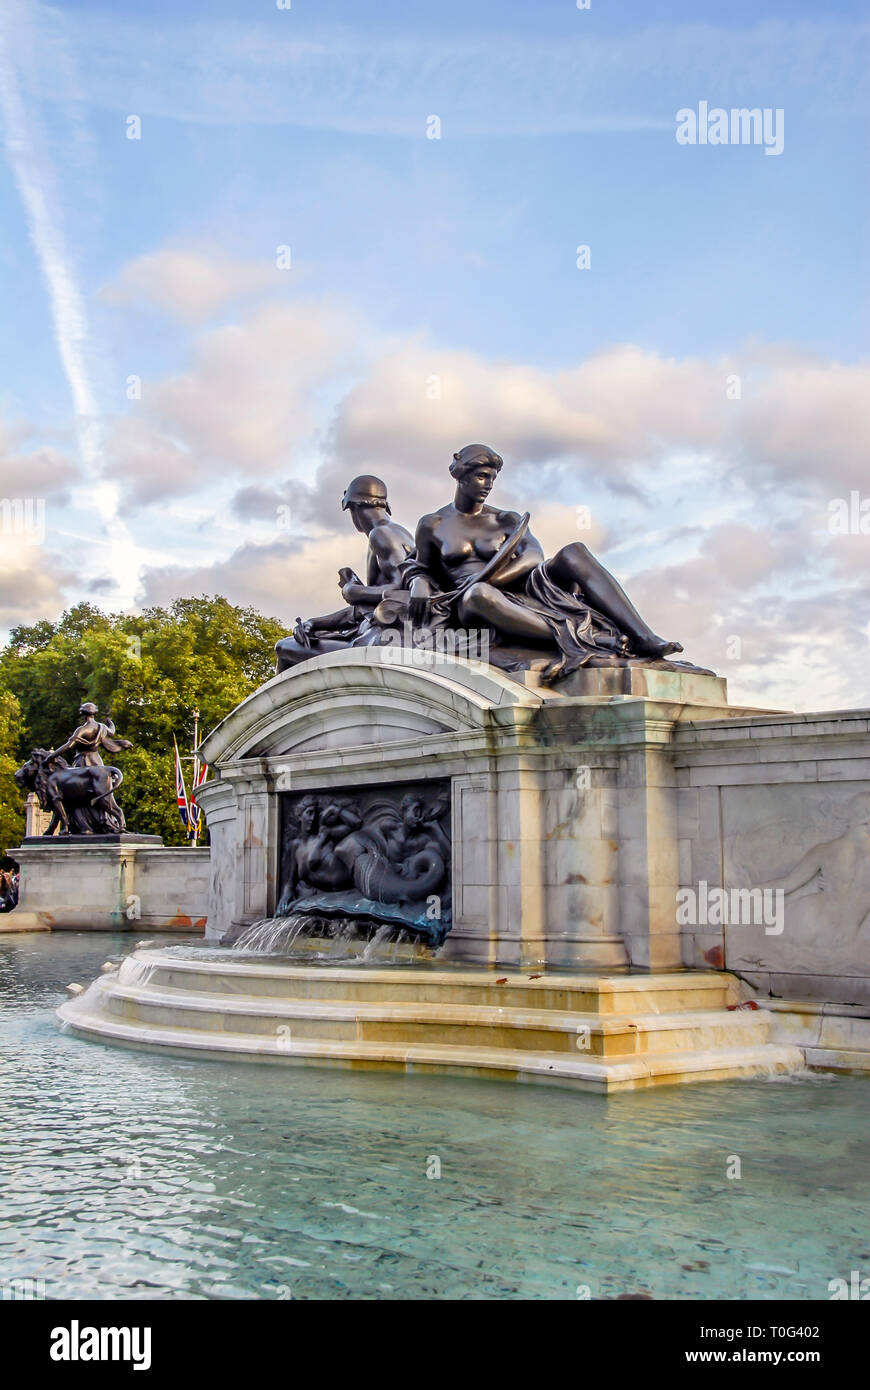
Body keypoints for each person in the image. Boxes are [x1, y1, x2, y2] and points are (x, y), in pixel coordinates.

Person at [406, 444, 683, 681]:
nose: (488, 486)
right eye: (481, 477)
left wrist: (493, 579)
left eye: (492, 479)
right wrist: (418, 582)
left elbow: (532, 556)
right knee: (480, 595)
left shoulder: (506, 519)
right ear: (461, 477)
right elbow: (422, 567)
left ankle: (643, 636)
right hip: (470, 604)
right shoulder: (433, 524)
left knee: (574, 551)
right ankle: (593, 641)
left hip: (519, 585)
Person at [275, 476, 414, 672]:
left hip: (378, 643)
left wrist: (354, 591)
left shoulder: (381, 534)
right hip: (376, 635)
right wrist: (314, 623)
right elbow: (364, 610)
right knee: (305, 640)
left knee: (284, 648)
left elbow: (402, 591)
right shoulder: (398, 532)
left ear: (354, 508)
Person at [52, 704, 132, 767]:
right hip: (97, 762)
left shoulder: (82, 730)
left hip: (83, 763)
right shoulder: (102, 727)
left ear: (82, 713)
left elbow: (69, 746)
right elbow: (112, 732)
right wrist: (110, 722)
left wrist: (50, 757)